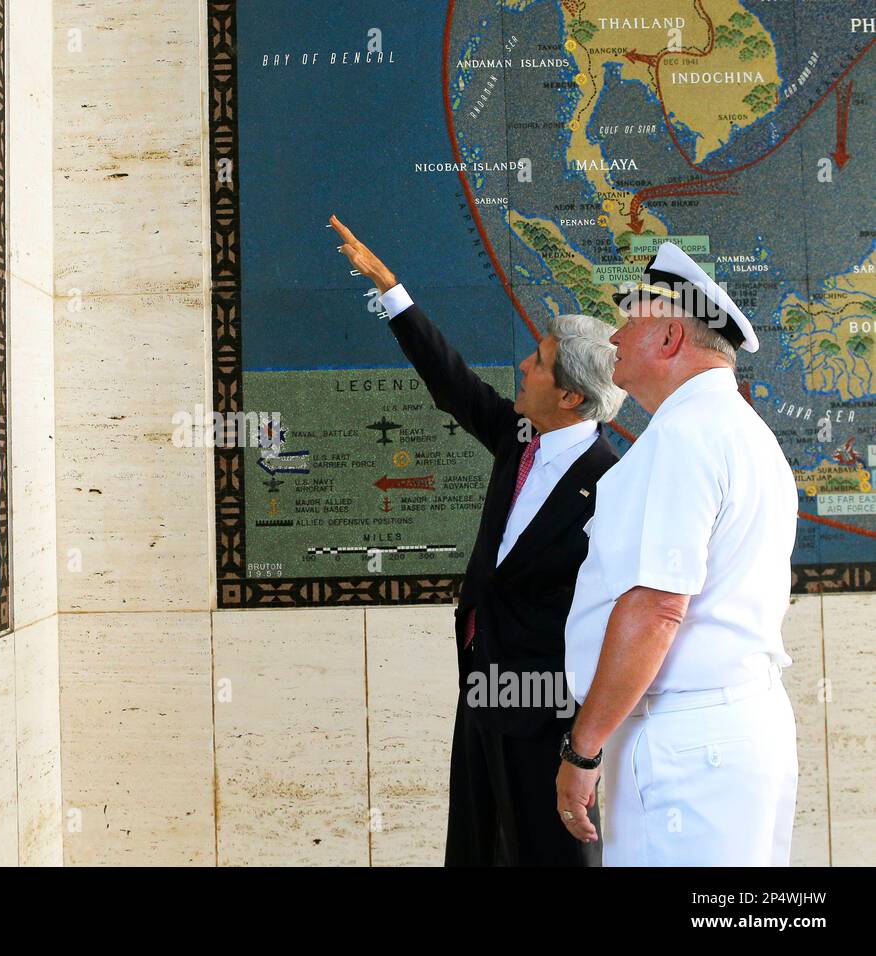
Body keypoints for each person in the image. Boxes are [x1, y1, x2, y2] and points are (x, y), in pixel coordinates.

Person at [331, 214, 626, 865]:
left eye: (541, 362)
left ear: (574, 398)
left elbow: (625, 616)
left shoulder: (613, 486)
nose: (524, 365)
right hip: (482, 687)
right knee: (475, 846)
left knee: (549, 852)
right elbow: (450, 381)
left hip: (550, 710)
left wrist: (588, 739)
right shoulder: (518, 438)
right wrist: (390, 289)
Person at [555, 241, 800, 866]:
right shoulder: (743, 431)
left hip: (687, 743)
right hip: (737, 728)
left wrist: (583, 749)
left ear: (669, 336)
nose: (613, 335)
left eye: (629, 316)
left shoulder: (683, 438)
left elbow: (658, 607)